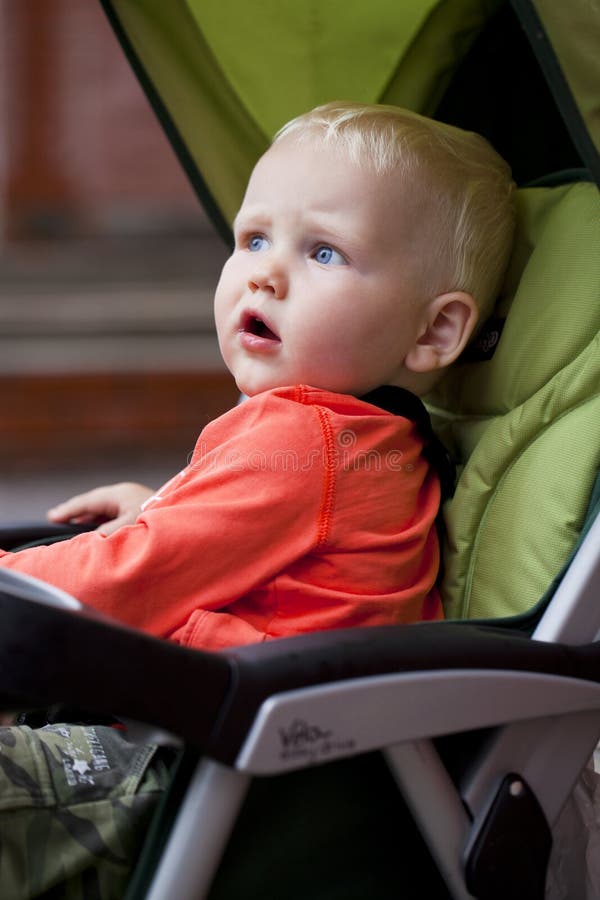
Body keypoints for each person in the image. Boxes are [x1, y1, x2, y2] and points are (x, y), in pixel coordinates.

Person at [0, 102, 516, 897]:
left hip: (198, 778)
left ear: (434, 335)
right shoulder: (368, 447)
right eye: (253, 238)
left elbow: (121, 583)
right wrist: (165, 507)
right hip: (240, 761)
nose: (264, 272)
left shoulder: (306, 442)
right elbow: (276, 568)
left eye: (324, 251)